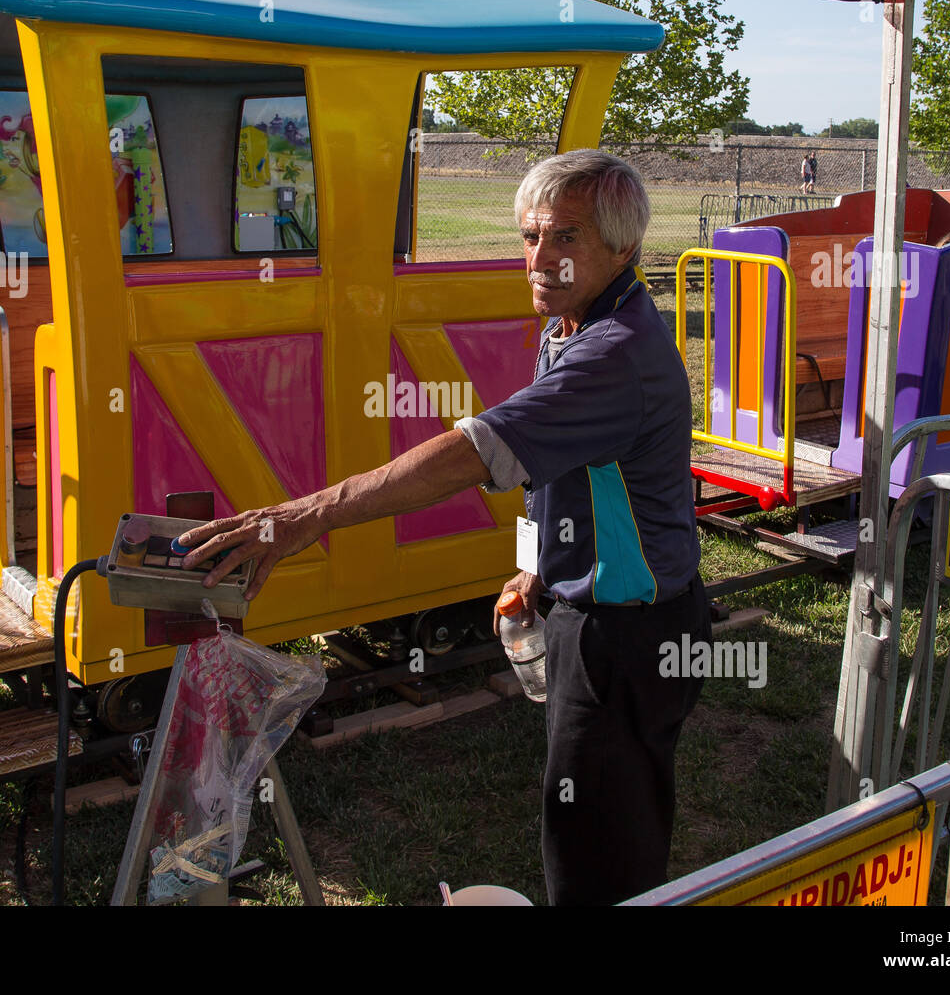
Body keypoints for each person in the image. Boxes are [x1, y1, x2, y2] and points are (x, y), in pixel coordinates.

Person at [175, 149, 710, 906]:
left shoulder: (614, 353)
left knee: (598, 851)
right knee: (591, 815)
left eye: (565, 238)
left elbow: (471, 453)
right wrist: (538, 566)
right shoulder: (575, 321)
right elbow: (564, 474)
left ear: (623, 245)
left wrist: (301, 518)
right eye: (530, 236)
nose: (540, 258)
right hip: (590, 611)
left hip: (626, 636)